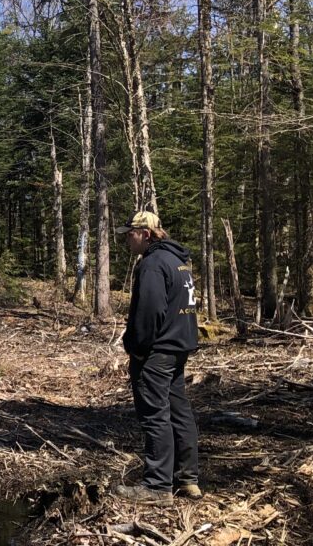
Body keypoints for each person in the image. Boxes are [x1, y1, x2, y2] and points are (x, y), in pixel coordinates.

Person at [112, 211, 201, 504]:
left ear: (146, 234)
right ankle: (186, 479)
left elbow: (149, 312)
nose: (126, 238)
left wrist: (136, 346)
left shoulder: (151, 264)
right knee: (178, 411)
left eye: (131, 233)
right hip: (179, 346)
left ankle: (157, 485)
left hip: (157, 351)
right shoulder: (178, 262)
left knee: (155, 415)